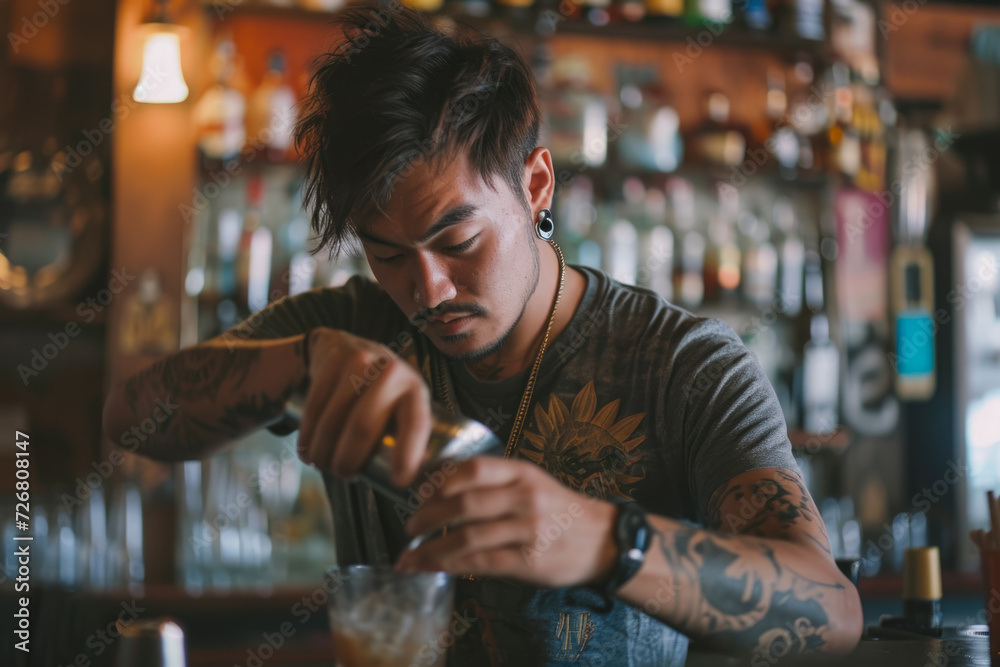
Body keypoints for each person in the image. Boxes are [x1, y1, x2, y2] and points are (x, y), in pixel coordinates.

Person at [102, 4, 862, 665]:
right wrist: (297, 366)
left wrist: (606, 542)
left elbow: (830, 615)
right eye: (388, 254)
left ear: (536, 185)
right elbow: (131, 415)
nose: (428, 291)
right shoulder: (351, 329)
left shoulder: (684, 366)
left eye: (458, 241)